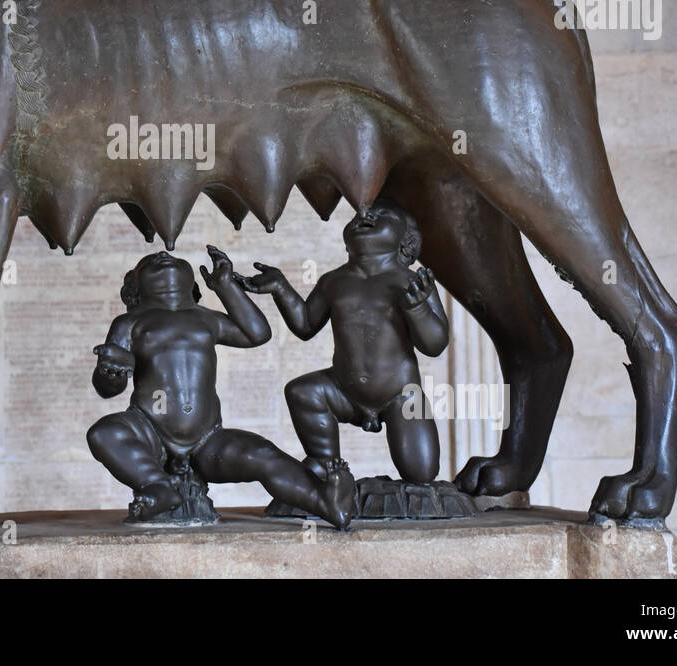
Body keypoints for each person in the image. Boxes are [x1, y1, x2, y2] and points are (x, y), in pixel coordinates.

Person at [87, 246, 356, 528]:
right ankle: (157, 485)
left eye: (173, 258)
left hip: (208, 439)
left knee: (262, 455)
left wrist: (226, 286)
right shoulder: (130, 322)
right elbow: (107, 389)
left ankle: (326, 503)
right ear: (135, 289)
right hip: (149, 431)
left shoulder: (206, 318)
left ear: (192, 285)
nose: (163, 256)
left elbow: (256, 333)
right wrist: (111, 372)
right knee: (104, 433)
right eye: (151, 261)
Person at [239, 199, 449, 484]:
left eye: (382, 214)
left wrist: (418, 309)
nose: (366, 215)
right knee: (303, 392)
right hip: (343, 391)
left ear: (406, 240)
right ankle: (328, 469)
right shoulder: (333, 282)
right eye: (359, 214)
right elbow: (305, 325)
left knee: (422, 474)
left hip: (401, 395)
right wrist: (280, 287)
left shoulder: (411, 283)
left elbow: (435, 345)